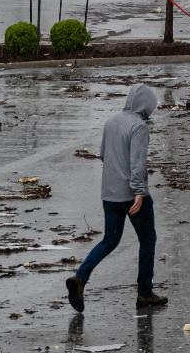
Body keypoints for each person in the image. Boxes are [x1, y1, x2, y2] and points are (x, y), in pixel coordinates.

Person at [66, 84, 166, 311]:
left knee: (109, 240)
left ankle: (80, 277)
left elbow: (103, 155)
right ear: (146, 105)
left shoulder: (111, 122)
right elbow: (137, 163)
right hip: (133, 196)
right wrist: (139, 192)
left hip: (109, 195)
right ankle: (144, 292)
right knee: (147, 240)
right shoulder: (139, 127)